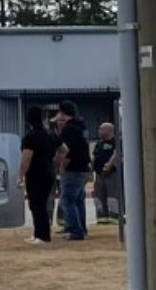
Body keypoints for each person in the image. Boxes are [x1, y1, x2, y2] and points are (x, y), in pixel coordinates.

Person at [53, 99, 91, 241]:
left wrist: (58, 165)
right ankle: (80, 227)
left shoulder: (69, 129)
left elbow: (65, 150)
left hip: (73, 168)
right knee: (78, 200)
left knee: (68, 200)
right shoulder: (81, 127)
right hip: (83, 167)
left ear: (62, 113)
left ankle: (75, 230)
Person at [20, 105, 59, 245]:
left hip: (35, 174)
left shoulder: (30, 137)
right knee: (40, 204)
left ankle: (42, 236)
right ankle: (39, 233)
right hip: (48, 172)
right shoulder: (49, 135)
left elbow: (26, 158)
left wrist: (20, 175)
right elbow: (64, 149)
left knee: (37, 205)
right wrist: (55, 163)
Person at [92, 122, 121, 224]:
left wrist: (109, 165)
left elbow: (117, 154)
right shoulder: (99, 144)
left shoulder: (117, 142)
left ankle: (115, 217)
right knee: (99, 197)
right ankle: (101, 218)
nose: (99, 131)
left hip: (111, 173)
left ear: (109, 130)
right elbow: (95, 156)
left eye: (101, 129)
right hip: (99, 174)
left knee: (113, 196)